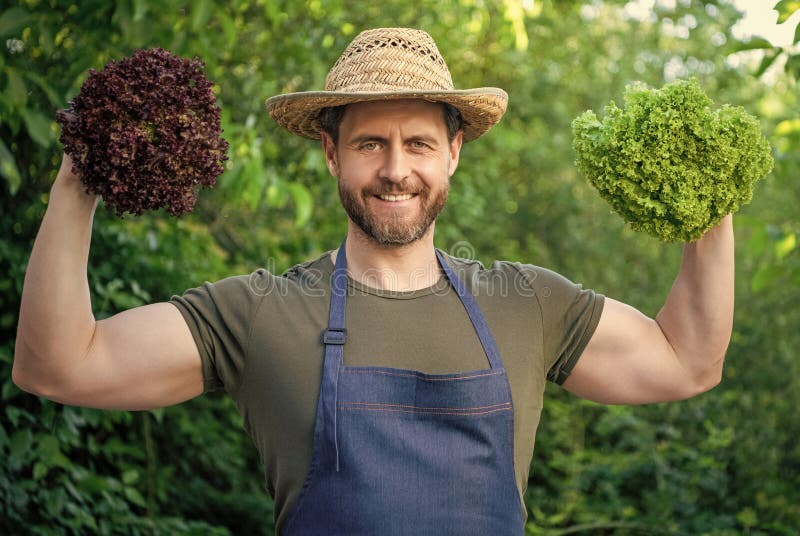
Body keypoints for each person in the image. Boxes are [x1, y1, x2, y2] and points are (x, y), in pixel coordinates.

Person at [13, 28, 733, 535]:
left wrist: (710, 199)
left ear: (453, 153)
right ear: (330, 154)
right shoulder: (259, 314)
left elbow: (686, 360)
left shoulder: (528, 304)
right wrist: (79, 182)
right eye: (369, 144)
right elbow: (59, 365)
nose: (395, 169)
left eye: (418, 142)